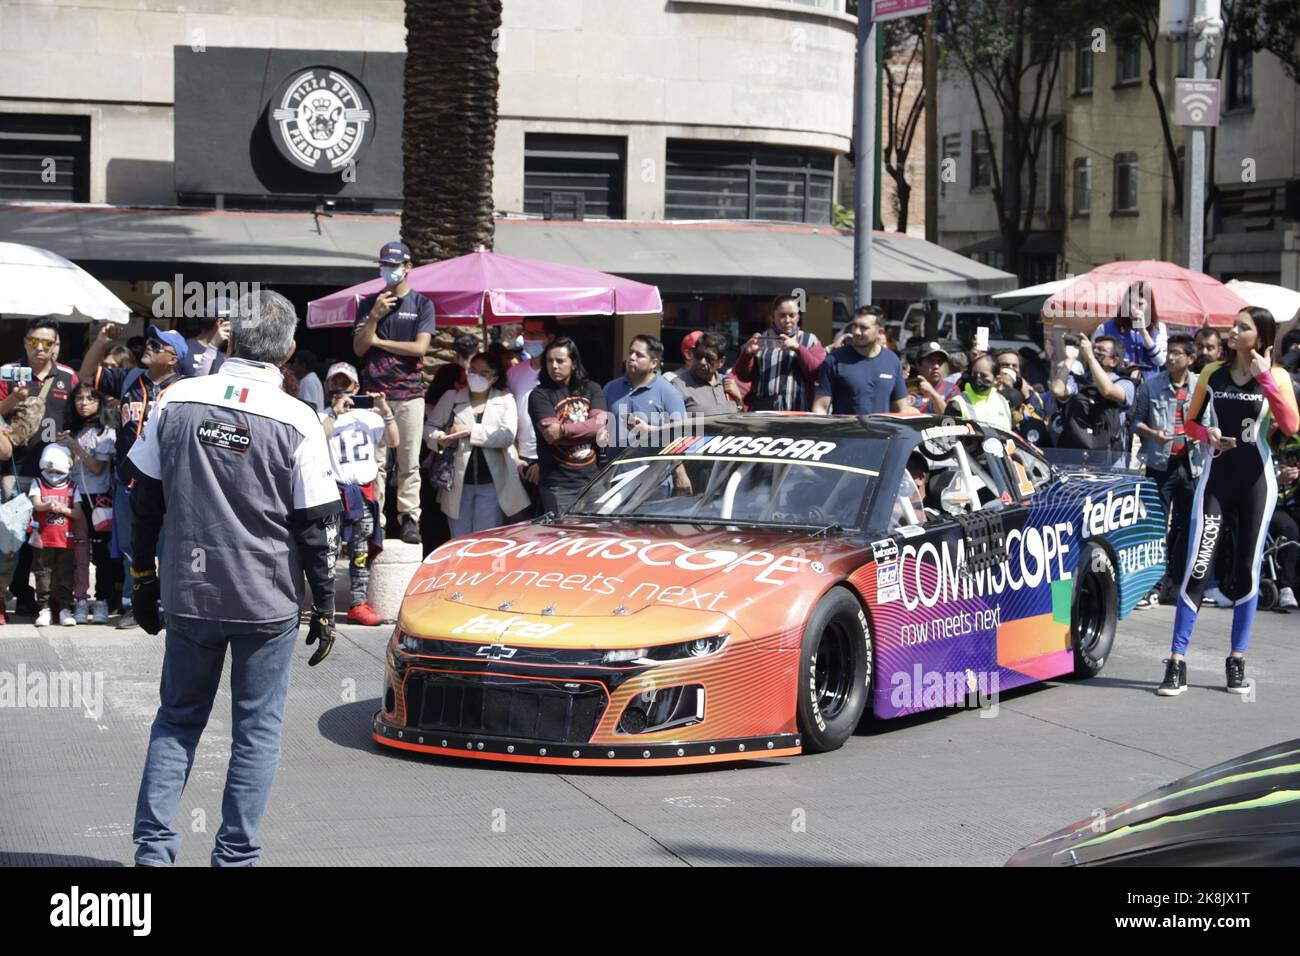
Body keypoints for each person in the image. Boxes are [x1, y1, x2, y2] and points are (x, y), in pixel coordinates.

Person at [127, 289, 341, 867]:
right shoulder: (297, 418)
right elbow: (318, 527)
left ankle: (153, 854)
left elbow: (144, 498)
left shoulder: (176, 399)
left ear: (233, 339)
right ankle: (235, 857)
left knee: (177, 717)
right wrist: (324, 608)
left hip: (189, 591)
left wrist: (143, 577)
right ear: (289, 350)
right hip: (265, 599)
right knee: (256, 730)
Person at [1157, 307, 1300, 697]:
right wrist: (1208, 434)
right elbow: (1189, 424)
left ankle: (1237, 659)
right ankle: (1176, 661)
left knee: (1246, 572)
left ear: (1261, 336)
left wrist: (1265, 377)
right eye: (1233, 325)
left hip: (1257, 483)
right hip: (1217, 480)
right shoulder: (1211, 373)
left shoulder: (1278, 376)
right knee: (1198, 567)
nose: (1232, 331)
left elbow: (1291, 426)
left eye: (1243, 327)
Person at [80, 323, 187, 630]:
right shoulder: (129, 379)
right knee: (130, 547)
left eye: (158, 344)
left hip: (168, 486)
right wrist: (101, 340)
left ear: (173, 358)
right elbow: (87, 376)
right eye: (149, 341)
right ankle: (133, 603)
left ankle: (167, 606)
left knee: (169, 548)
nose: (149, 346)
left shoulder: (185, 389)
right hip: (129, 483)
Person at [353, 241, 435, 545]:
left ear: (408, 267)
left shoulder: (422, 305)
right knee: (376, 462)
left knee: (408, 460)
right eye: (384, 265)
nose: (388, 270)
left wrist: (378, 341)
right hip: (375, 396)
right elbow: (359, 347)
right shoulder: (368, 303)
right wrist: (373, 317)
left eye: (394, 265)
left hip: (410, 395)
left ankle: (409, 517)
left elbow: (420, 348)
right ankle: (377, 519)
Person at [0, 317, 80, 616]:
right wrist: (13, 398)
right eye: (34, 341)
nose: (40, 348)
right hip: (16, 468)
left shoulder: (68, 377)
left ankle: (52, 597)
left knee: (52, 537)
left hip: (56, 475)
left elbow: (80, 414)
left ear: (56, 346)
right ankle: (17, 593)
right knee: (12, 536)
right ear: (25, 341)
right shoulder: (8, 373)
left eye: (47, 342)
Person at [321, 362, 397, 626]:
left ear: (357, 386)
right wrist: (334, 412)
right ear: (327, 385)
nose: (341, 388)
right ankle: (324, 604)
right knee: (328, 551)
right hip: (332, 493)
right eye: (335, 383)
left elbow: (394, 440)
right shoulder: (322, 417)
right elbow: (319, 439)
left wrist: (385, 410)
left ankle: (358, 602)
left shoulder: (371, 418)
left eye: (346, 383)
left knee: (360, 551)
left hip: (363, 494)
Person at [426, 351, 530, 536]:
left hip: (492, 484)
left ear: (494, 377)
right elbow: (429, 427)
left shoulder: (505, 399)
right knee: (459, 540)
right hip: (457, 484)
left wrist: (470, 431)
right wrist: (440, 439)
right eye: (473, 371)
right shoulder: (452, 397)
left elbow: (506, 436)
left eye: (484, 373)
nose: (476, 376)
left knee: (485, 541)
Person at [1132, 334, 1199, 606]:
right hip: (1160, 464)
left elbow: (1209, 421)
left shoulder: (1200, 386)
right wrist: (1152, 433)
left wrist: (1201, 435)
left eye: (1177, 353)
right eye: (1169, 352)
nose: (1170, 358)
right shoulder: (1151, 385)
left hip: (1192, 464)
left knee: (1185, 526)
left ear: (1190, 359)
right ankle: (1153, 585)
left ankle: (1177, 585)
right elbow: (1135, 422)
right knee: (1156, 525)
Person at [528, 337, 608, 515]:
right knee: (564, 537)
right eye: (549, 361)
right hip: (559, 486)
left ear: (573, 364)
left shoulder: (592, 388)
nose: (554, 366)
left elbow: (601, 426)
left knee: (598, 537)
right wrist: (588, 430)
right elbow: (551, 435)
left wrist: (564, 430)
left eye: (560, 361)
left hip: (593, 481)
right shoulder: (539, 395)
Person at [58, 384, 117, 624]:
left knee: (101, 552)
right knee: (79, 551)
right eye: (79, 399)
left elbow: (97, 467)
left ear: (100, 403)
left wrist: (74, 447)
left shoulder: (107, 432)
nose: (83, 403)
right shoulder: (74, 431)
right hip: (74, 497)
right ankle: (80, 599)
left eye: (89, 399)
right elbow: (69, 468)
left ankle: (102, 600)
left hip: (99, 499)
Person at [1050, 334, 1134, 464]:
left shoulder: (1125, 384)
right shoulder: (1079, 381)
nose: (1094, 351)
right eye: (1094, 348)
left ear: (1114, 361)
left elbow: (1108, 391)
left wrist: (1090, 358)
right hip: (1077, 460)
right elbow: (1057, 390)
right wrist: (1069, 359)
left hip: (1110, 463)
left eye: (1101, 350)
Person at [732, 294, 825, 410]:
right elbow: (743, 376)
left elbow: (818, 373)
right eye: (782, 316)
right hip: (764, 411)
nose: (787, 320)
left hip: (798, 410)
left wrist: (798, 348)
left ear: (798, 317)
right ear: (772, 317)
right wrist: (747, 354)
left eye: (792, 315)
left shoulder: (809, 340)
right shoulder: (761, 340)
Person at [811, 307, 910, 414]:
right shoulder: (834, 360)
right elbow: (820, 408)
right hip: (845, 430)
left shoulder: (892, 361)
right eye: (854, 326)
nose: (857, 332)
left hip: (882, 430)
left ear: (879, 332)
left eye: (864, 328)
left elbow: (901, 409)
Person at [29, 444, 85, 627]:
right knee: (42, 574)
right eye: (49, 469)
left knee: (66, 576)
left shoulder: (72, 486)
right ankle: (44, 609)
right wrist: (47, 505)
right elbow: (36, 504)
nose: (52, 474)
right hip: (42, 540)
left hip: (66, 541)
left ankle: (64, 609)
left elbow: (77, 513)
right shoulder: (37, 483)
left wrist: (63, 509)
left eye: (57, 470)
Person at [604, 334, 688, 448]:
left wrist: (650, 430)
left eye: (639, 355)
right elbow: (601, 423)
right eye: (630, 352)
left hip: (653, 464)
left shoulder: (668, 392)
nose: (632, 358)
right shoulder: (611, 388)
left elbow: (681, 432)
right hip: (616, 464)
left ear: (653, 363)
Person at [1094, 281, 1166, 379]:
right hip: (1115, 384)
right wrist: (1118, 365)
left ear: (1149, 305)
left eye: (1139, 304)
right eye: (1130, 302)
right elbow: (1094, 358)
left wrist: (1144, 333)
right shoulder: (1106, 328)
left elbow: (1160, 361)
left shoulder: (1159, 327)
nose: (1133, 308)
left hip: (1149, 387)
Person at [672, 331, 739, 415]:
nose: (702, 362)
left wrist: (738, 400)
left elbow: (740, 419)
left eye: (709, 358)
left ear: (721, 362)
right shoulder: (679, 385)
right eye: (698, 355)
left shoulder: (727, 384)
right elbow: (672, 425)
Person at [944, 354, 1014, 430]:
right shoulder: (957, 403)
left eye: (983, 376)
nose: (977, 378)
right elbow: (948, 439)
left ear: (996, 379)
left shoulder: (1002, 402)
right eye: (974, 374)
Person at [180, 298, 229, 377]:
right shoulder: (183, 349)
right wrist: (213, 345)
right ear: (220, 323)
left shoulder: (231, 353)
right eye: (234, 322)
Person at [907, 342, 958, 415]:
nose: (936, 366)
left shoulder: (952, 390)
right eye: (931, 361)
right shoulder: (906, 388)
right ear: (918, 364)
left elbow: (949, 419)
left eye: (940, 362)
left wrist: (933, 393)